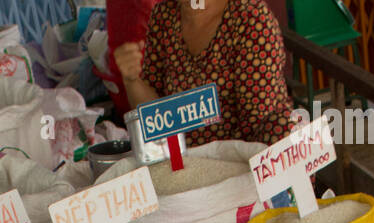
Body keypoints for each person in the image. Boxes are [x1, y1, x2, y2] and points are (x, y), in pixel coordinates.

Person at [114, 0, 295, 148]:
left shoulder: (251, 20)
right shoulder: (164, 16)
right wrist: (131, 80)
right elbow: (155, 120)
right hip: (183, 160)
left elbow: (257, 125)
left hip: (245, 160)